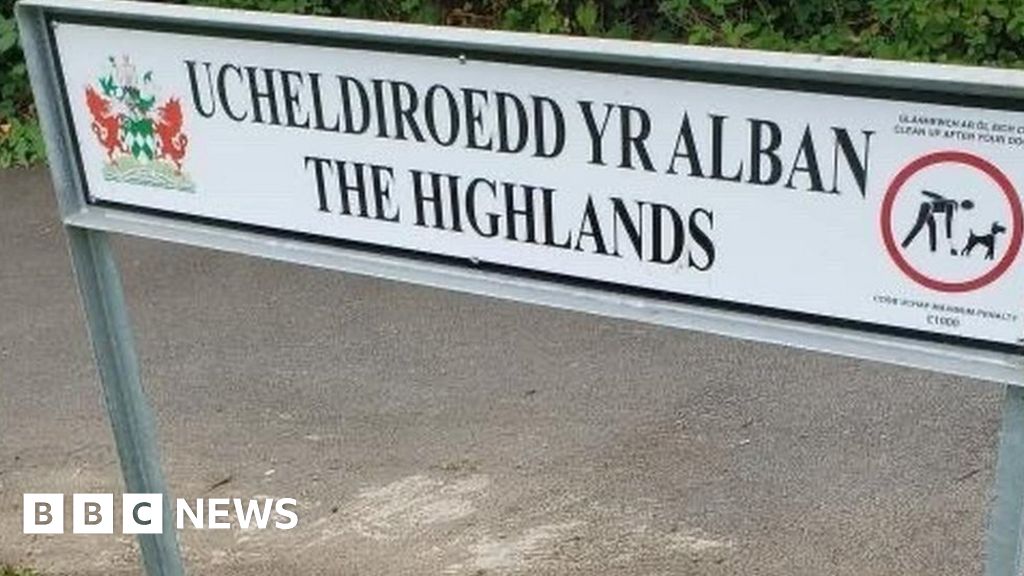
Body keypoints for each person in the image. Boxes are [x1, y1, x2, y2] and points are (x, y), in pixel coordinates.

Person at [901, 190, 974, 253]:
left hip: (928, 208)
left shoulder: (950, 201)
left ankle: (933, 249)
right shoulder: (951, 205)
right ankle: (905, 244)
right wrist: (949, 238)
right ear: (965, 208)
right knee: (919, 226)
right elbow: (948, 222)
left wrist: (924, 192)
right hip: (927, 208)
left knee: (932, 226)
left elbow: (936, 196)